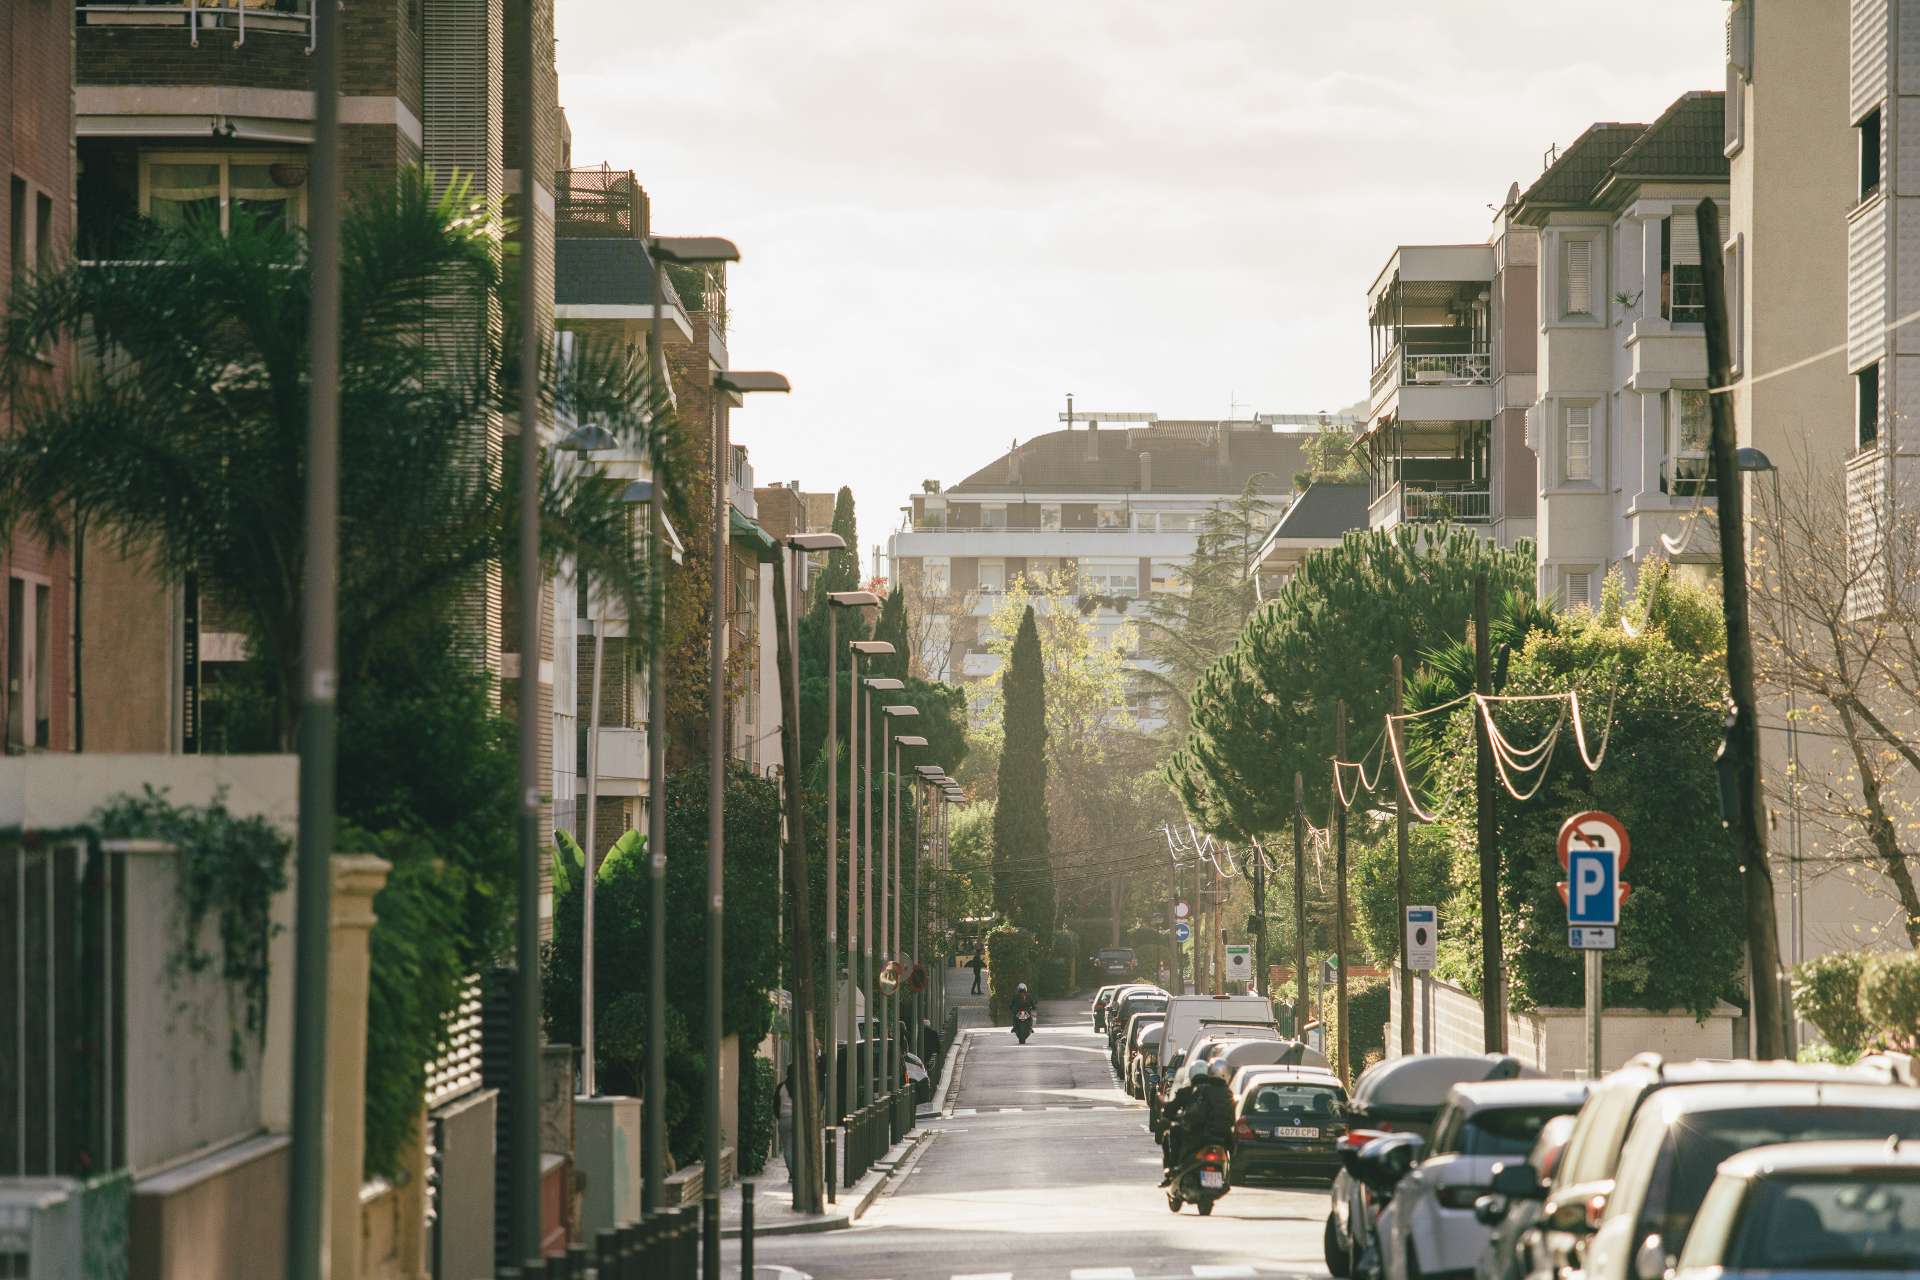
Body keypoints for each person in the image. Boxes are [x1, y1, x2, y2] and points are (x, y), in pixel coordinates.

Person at [1159, 1058, 1235, 1184]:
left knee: (1174, 1132)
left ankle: (1172, 1167)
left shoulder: (1199, 1091)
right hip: (1223, 1135)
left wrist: (1182, 1120)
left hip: (1203, 1133)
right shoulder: (1227, 1093)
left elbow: (1194, 1114)